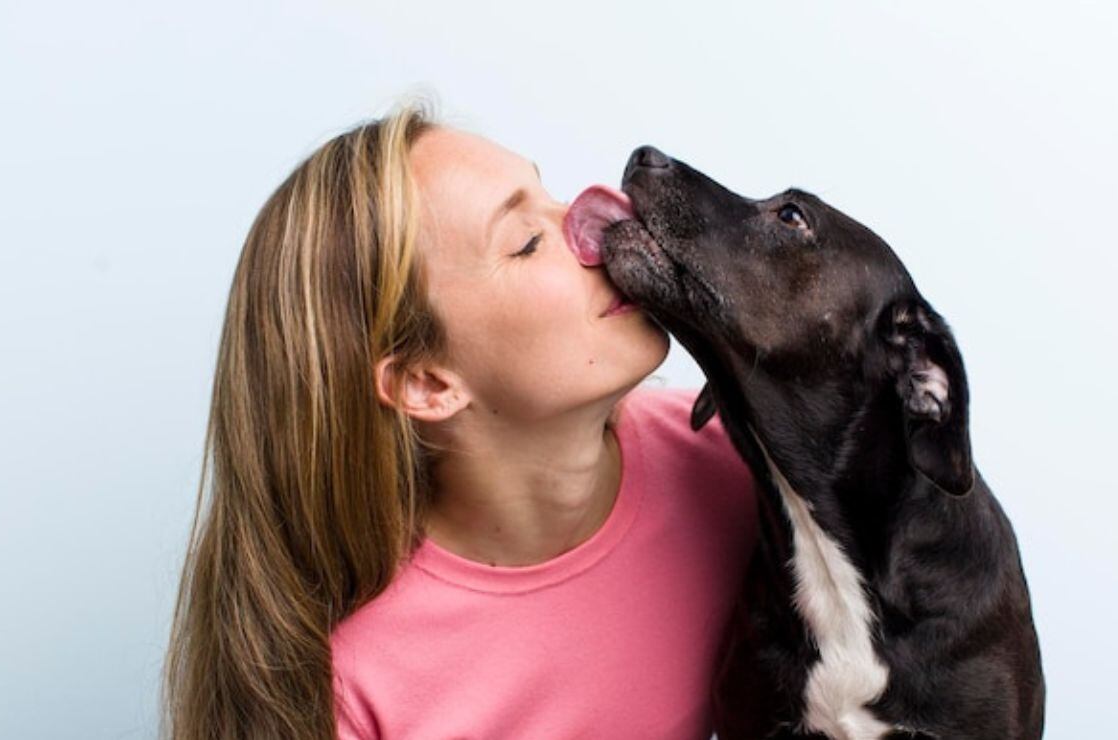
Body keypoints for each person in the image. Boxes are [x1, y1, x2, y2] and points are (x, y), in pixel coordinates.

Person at [162, 101, 758, 740]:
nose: (600, 225)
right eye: (526, 243)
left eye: (550, 195)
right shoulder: (352, 693)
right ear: (427, 383)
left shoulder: (742, 469)